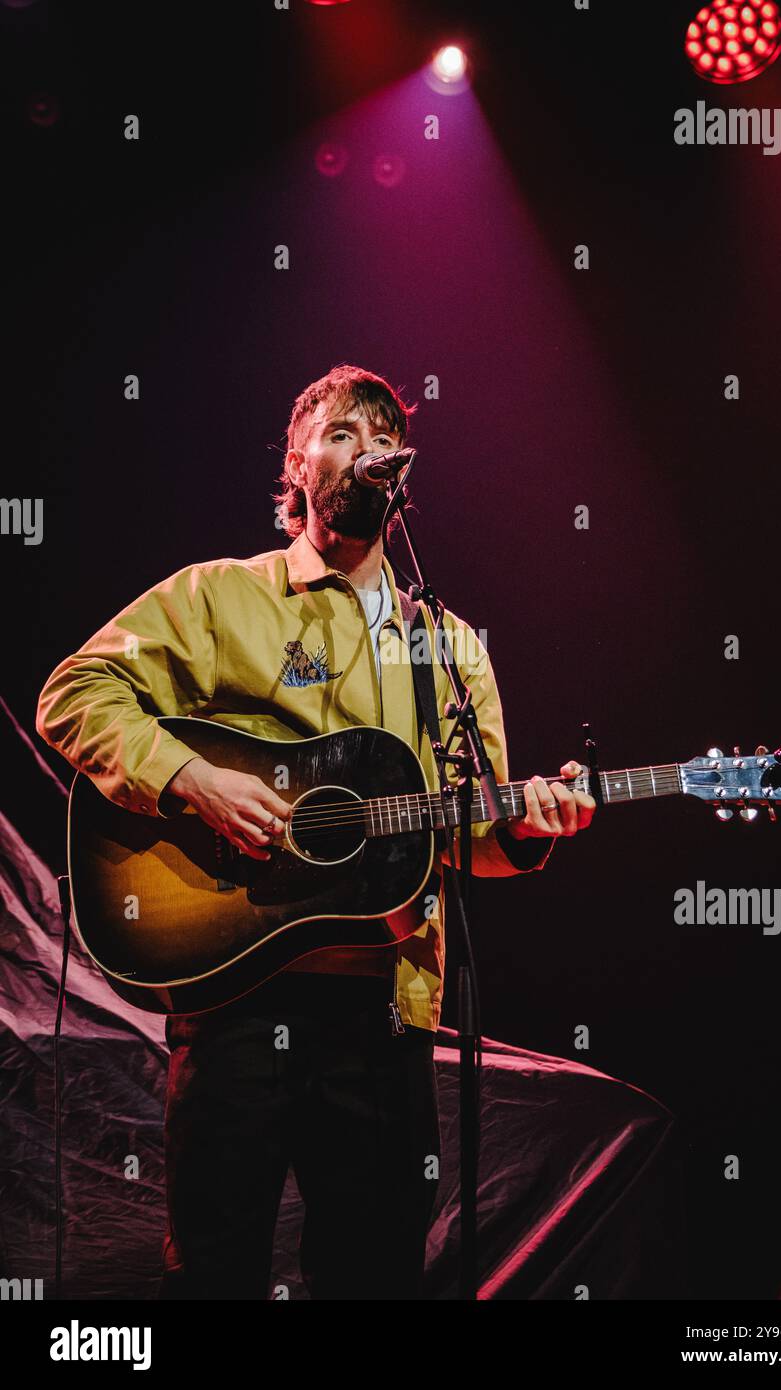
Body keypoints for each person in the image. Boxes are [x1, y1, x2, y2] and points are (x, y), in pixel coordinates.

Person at [35, 363, 595, 1300]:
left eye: (382, 439)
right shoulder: (223, 597)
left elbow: (462, 832)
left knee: (373, 1275)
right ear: (296, 464)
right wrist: (196, 779)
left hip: (385, 1013)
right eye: (342, 434)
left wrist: (530, 830)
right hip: (233, 999)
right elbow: (73, 693)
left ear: (401, 474)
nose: (364, 451)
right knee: (214, 1273)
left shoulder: (448, 649)